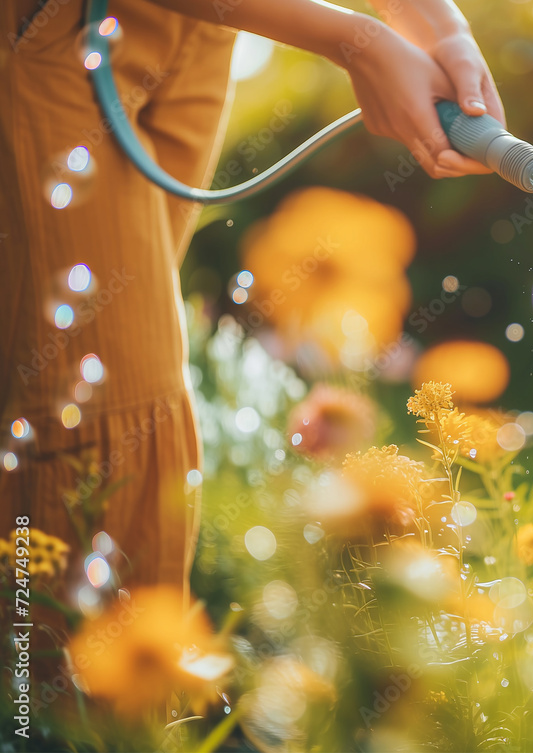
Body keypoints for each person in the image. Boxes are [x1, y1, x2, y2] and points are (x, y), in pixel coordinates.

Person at [0, 0, 502, 623]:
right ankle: (61, 711)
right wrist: (358, 40)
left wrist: (440, 26)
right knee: (105, 414)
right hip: (55, 29)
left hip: (207, 30)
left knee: (76, 379)